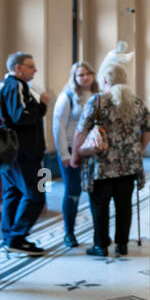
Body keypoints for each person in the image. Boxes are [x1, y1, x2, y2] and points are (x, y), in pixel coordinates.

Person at [73, 62, 150, 257]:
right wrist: (139, 149)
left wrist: (75, 153)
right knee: (124, 205)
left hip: (102, 165)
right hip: (129, 165)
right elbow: (148, 128)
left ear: (104, 80)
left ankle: (100, 245)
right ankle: (122, 244)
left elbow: (82, 130)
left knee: (100, 205)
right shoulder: (137, 102)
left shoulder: (98, 101)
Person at [0, 51, 50, 256]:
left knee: (13, 194)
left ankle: (10, 237)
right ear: (18, 68)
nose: (34, 70)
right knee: (37, 194)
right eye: (31, 66)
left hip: (11, 153)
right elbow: (21, 117)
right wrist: (43, 105)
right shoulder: (15, 85)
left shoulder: (4, 86)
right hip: (23, 152)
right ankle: (16, 237)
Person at [53, 61, 97, 248]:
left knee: (96, 192)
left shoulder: (98, 95)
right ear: (75, 77)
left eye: (88, 73)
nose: (85, 77)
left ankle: (99, 233)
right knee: (73, 192)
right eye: (81, 75)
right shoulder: (67, 97)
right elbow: (58, 126)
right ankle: (69, 233)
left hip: (93, 150)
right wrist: (64, 153)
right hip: (72, 150)